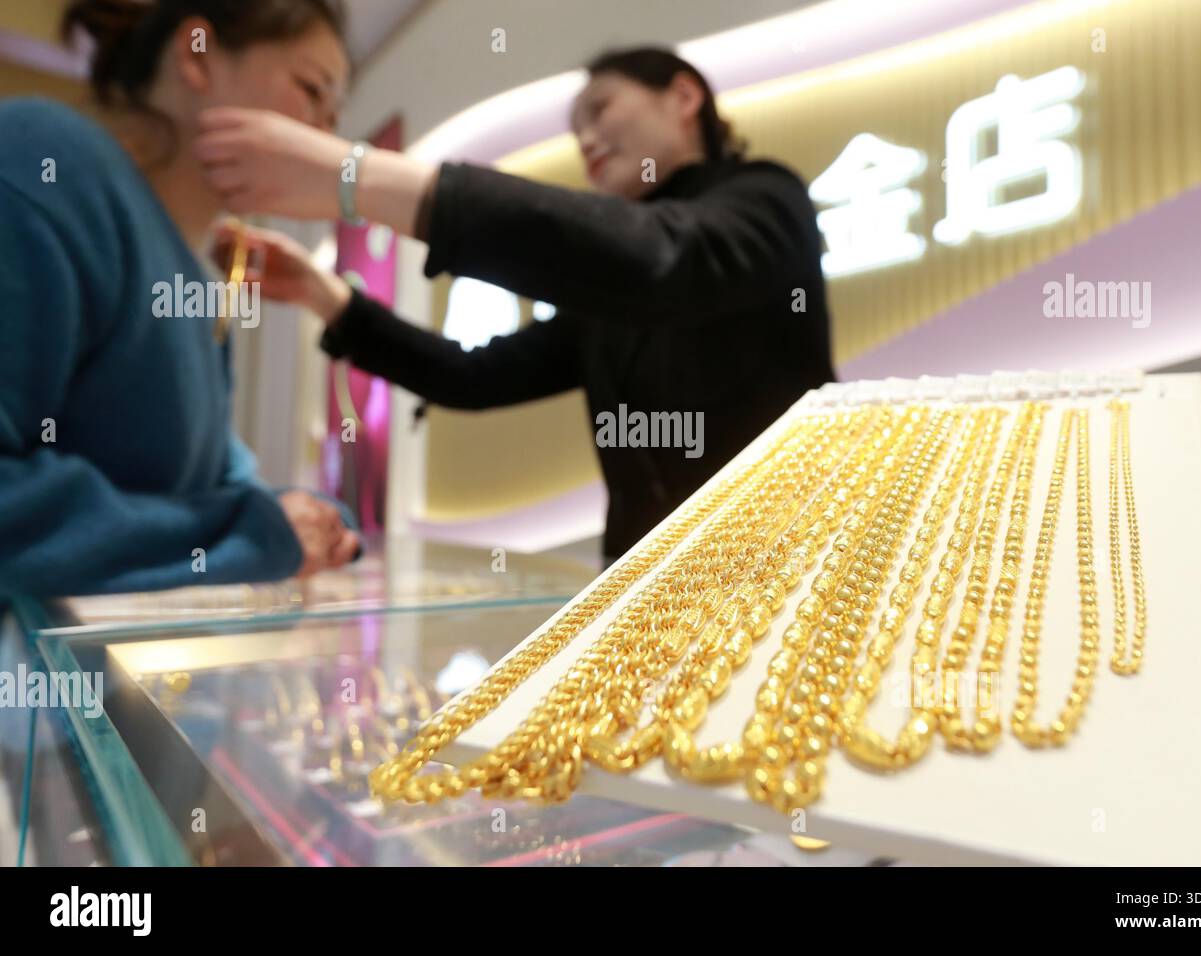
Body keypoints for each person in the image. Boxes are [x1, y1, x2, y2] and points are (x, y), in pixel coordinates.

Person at [197, 47, 836, 565]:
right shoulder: (608, 297)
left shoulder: (767, 200)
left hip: (797, 575)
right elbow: (471, 376)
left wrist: (367, 180)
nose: (585, 137)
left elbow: (660, 262)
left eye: (601, 108)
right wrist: (325, 296)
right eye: (576, 126)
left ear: (685, 96)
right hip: (652, 601)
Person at [0, 0, 360, 599]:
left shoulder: (195, 278)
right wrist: (250, 533)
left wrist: (295, 520)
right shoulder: (48, 160)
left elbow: (206, 485)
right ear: (197, 57)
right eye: (311, 89)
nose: (327, 135)